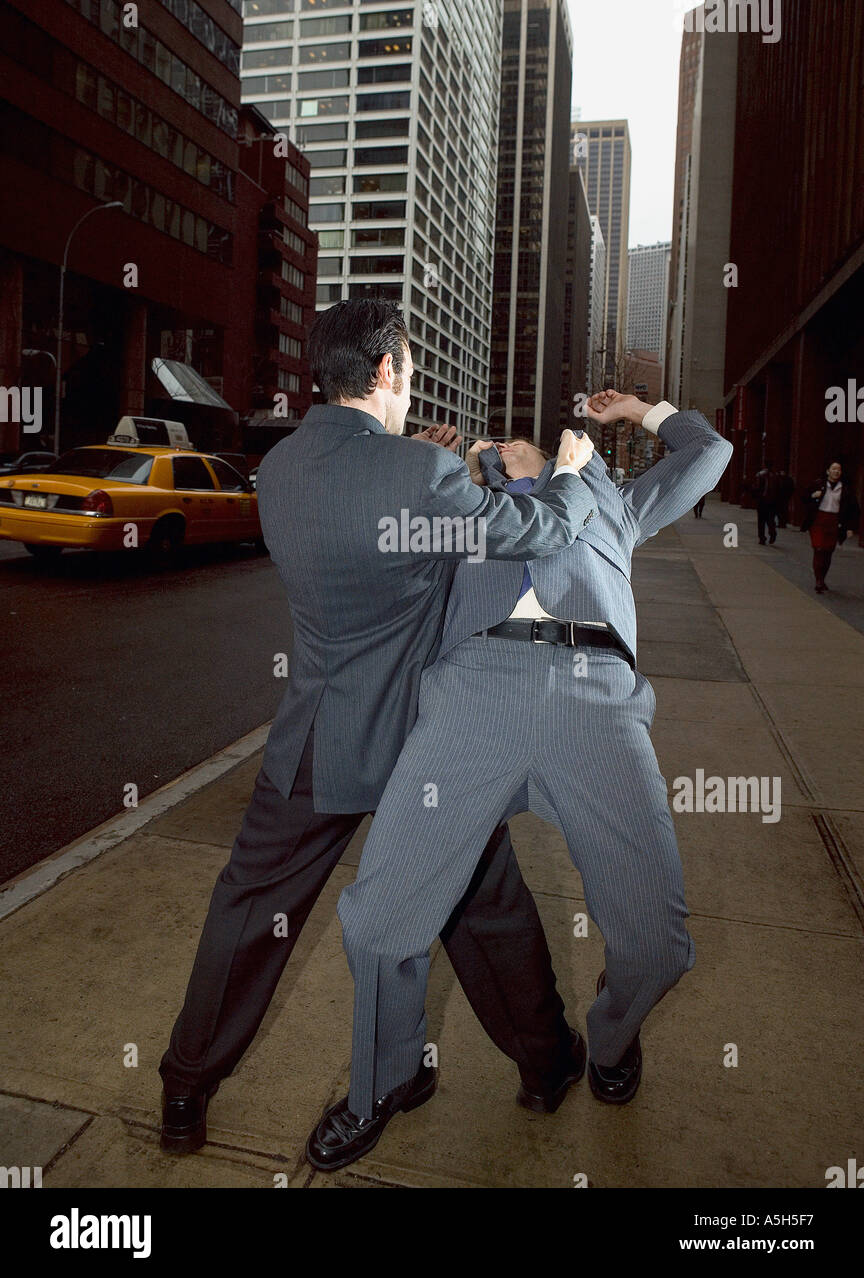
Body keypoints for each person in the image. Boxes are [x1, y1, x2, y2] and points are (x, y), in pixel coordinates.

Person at [158, 299, 599, 1154]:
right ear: (390, 370)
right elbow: (539, 526)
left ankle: (185, 1090)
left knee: (248, 912)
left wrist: (429, 463)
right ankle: (547, 1068)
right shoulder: (419, 479)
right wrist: (572, 470)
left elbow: (373, 519)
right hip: (418, 751)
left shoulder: (280, 469)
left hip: (315, 740)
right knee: (486, 907)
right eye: (407, 371)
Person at [306, 390, 733, 1171]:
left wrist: (639, 411)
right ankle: (386, 1078)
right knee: (376, 922)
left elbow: (709, 455)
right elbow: (379, 541)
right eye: (494, 446)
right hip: (473, 693)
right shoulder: (466, 509)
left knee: (659, 942)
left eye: (517, 444)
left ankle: (610, 1039)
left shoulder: (613, 502)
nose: (506, 447)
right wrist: (437, 462)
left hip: (596, 699)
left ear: (572, 453)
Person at [800, 461, 859, 593]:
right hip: (818, 521)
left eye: (838, 469)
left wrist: (850, 527)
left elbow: (853, 509)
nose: (836, 471)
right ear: (828, 471)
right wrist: (812, 496)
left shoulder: (845, 489)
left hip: (834, 522)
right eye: (833, 469)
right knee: (819, 549)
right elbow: (803, 498)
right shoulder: (818, 484)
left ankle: (822, 577)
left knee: (828, 551)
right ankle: (818, 580)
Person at [753, 460, 784, 544]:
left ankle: (762, 538)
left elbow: (756, 488)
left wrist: (756, 498)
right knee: (770, 519)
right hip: (773, 501)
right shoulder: (776, 476)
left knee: (761, 521)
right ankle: (772, 533)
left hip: (762, 501)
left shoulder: (760, 474)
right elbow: (780, 489)